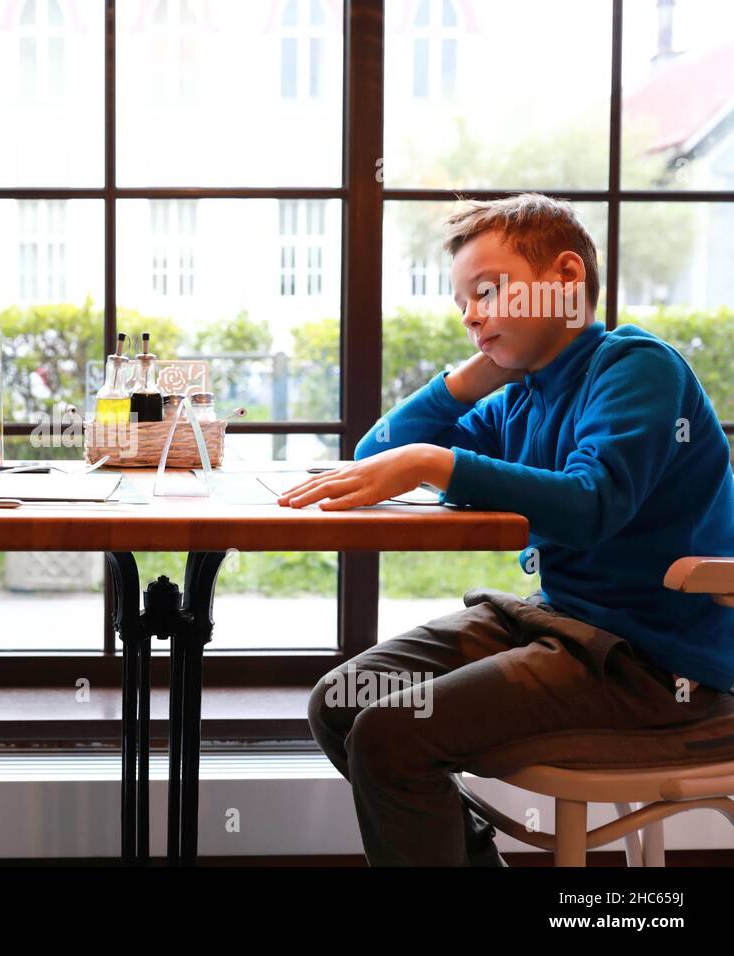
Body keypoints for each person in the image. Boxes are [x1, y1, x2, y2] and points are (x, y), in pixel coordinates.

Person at [279, 192, 734, 865]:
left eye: (487, 292)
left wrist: (437, 461)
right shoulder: (521, 397)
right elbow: (378, 455)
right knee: (341, 703)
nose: (470, 315)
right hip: (559, 627)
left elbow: (590, 505)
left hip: (651, 663)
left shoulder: (636, 367)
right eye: (462, 303)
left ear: (566, 280)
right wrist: (470, 378)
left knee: (390, 736)